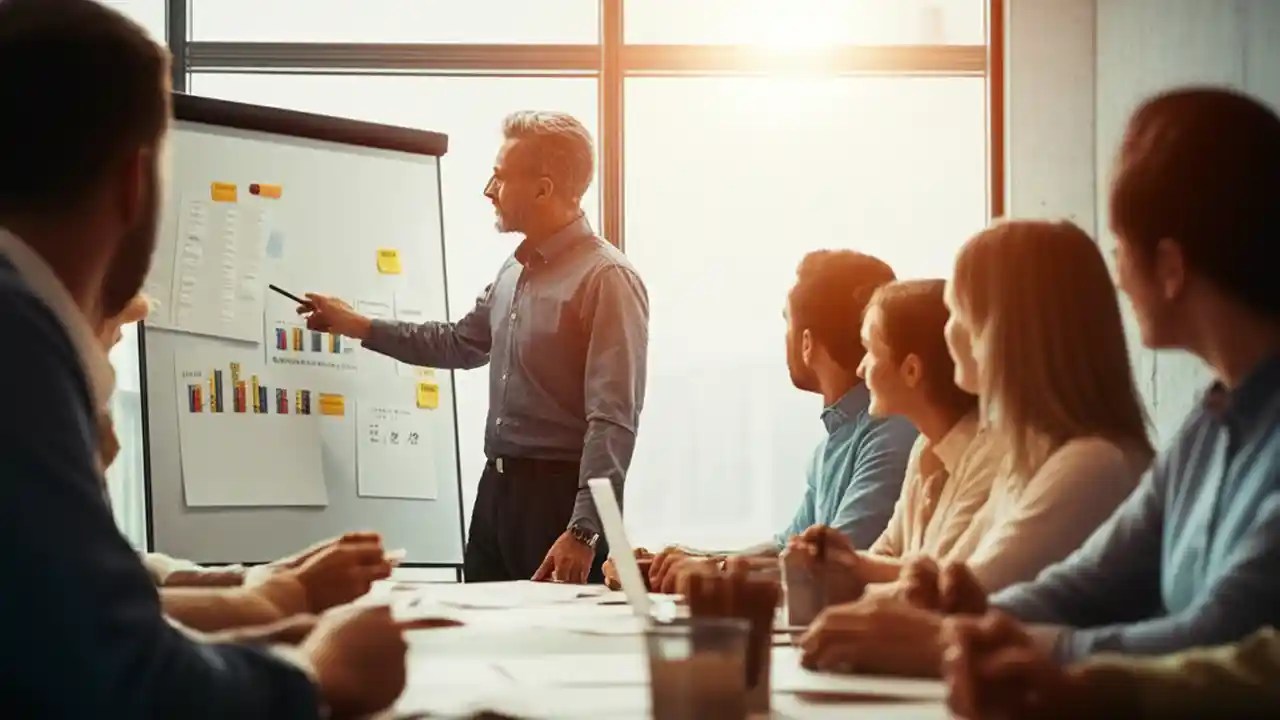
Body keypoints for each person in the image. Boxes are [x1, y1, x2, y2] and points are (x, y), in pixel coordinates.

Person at [0, 2, 404, 716]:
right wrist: (319, 675)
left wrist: (262, 602)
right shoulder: (19, 336)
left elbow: (77, 616)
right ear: (135, 183)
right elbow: (120, 679)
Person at [894, 88, 1280, 671]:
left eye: (1121, 248)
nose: (1118, 275)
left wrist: (954, 640)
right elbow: (1085, 584)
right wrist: (962, 623)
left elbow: (1221, 637)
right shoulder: (1209, 426)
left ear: (1171, 268)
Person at [302, 112, 648, 585]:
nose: (489, 189)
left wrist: (585, 531)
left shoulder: (607, 280)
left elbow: (612, 418)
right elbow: (458, 343)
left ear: (544, 190)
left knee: (553, 652)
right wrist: (357, 324)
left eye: (501, 178)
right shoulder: (513, 271)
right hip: (496, 495)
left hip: (559, 504)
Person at [796, 219, 1154, 676]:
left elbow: (970, 599)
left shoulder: (1092, 465)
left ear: (1012, 330)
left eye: (961, 313)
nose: (947, 335)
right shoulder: (1023, 462)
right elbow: (952, 582)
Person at [641, 250, 918, 593]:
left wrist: (717, 571)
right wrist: (699, 561)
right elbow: (790, 547)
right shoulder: (835, 442)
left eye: (787, 322)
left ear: (806, 343)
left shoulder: (891, 432)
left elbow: (840, 560)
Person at [782, 279, 1002, 599]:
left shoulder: (986, 458)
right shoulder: (925, 448)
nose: (860, 369)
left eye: (870, 351)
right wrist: (845, 559)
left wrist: (851, 564)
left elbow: (941, 580)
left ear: (911, 370)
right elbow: (887, 553)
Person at [942, 612, 1280, 720]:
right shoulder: (1196, 446)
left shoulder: (1095, 460)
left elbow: (1218, 631)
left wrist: (935, 629)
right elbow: (1086, 578)